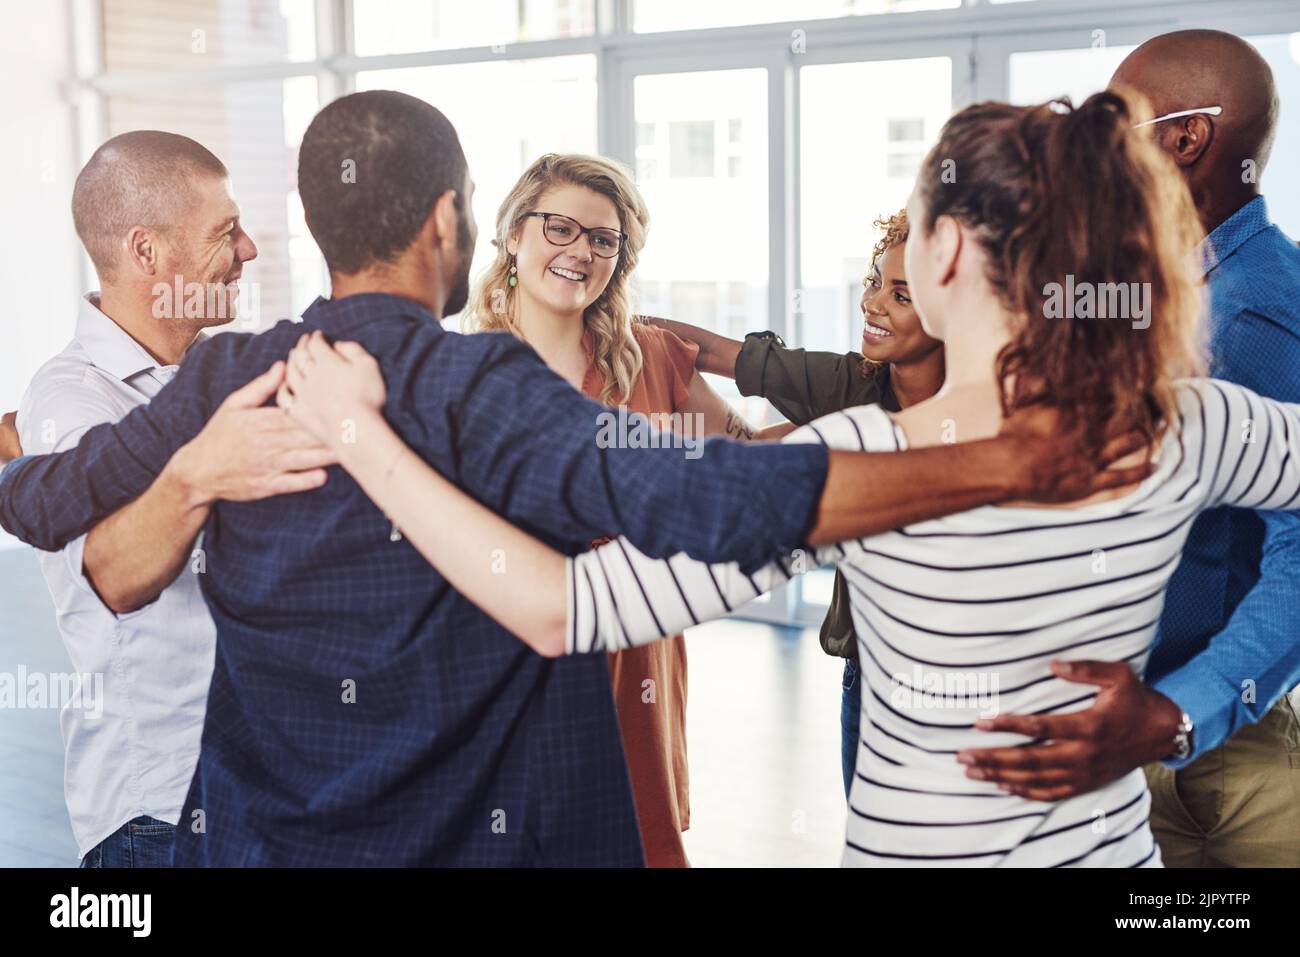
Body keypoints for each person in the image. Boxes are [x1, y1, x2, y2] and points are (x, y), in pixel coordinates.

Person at [0, 91, 1129, 866]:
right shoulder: (480, 387)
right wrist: (1002, 459)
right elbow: (706, 497)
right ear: (451, 221)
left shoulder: (229, 375)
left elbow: (47, 496)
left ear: (311, 222)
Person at [276, 88, 1300, 867]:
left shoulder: (857, 454)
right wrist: (1179, 711)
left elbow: (558, 609)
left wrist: (361, 437)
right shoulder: (1186, 422)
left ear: (942, 256)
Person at [960, 29, 1300, 869]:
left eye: (1118, 119)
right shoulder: (1164, 284)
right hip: (1126, 732)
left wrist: (1178, 712)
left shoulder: (1254, 312)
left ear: (1186, 137)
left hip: (1215, 757)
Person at [6, 131, 333, 867]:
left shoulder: (209, 375)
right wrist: (202, 472)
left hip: (260, 790)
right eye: (226, 231)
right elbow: (115, 571)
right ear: (146, 252)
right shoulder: (70, 398)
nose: (248, 249)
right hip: (160, 813)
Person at [464, 153, 762, 866]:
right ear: (513, 235)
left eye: (603, 239)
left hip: (636, 653)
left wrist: (880, 414)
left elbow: (748, 457)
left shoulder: (651, 356)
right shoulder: (462, 374)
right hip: (510, 653)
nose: (580, 252)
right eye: (560, 228)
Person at [648, 209, 945, 796]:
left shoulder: (1006, 410)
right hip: (873, 676)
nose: (873, 304)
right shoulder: (854, 385)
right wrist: (615, 323)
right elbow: (711, 355)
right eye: (873, 282)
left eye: (901, 295)